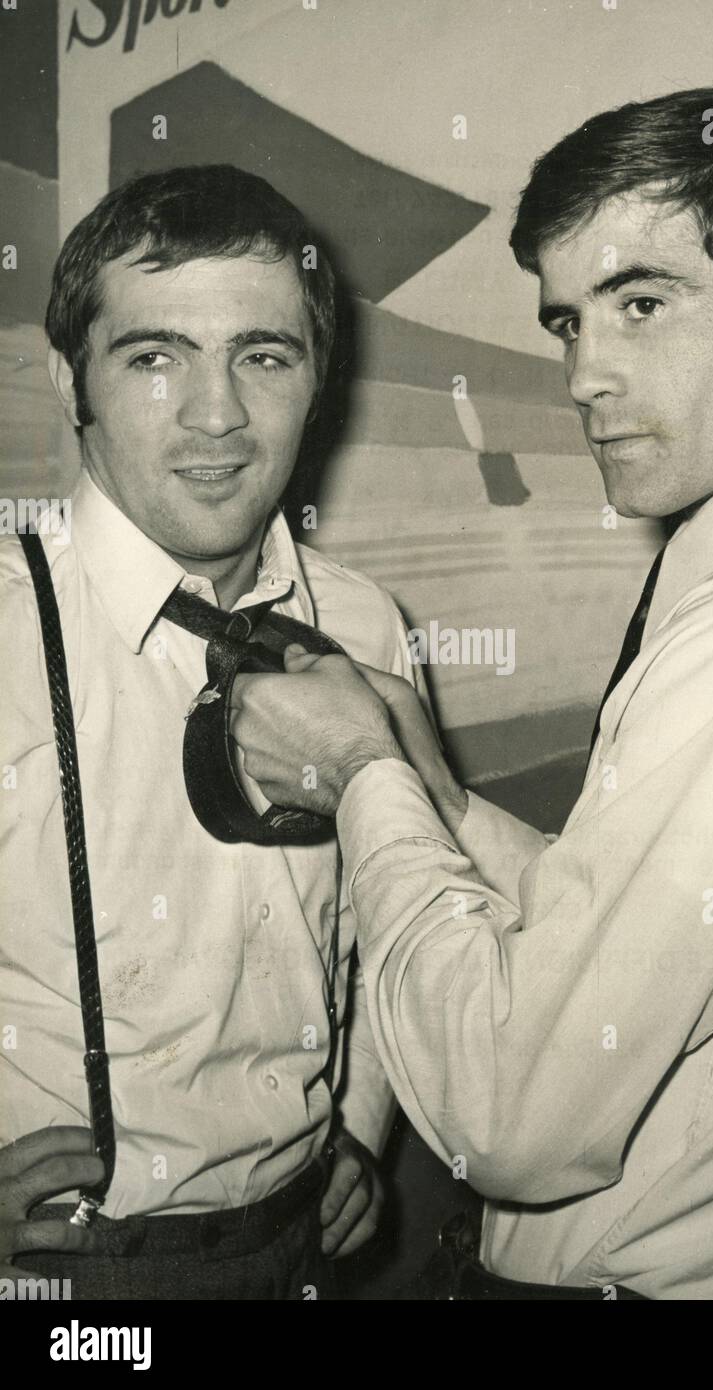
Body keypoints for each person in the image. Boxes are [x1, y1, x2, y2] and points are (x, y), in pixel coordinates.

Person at [229, 89, 713, 1299]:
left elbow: (506, 1111)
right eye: (565, 322)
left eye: (641, 304)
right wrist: (439, 802)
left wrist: (364, 779)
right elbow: (655, 937)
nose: (584, 376)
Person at [0, 164, 424, 1299]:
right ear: (68, 381)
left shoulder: (366, 623)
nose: (218, 414)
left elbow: (391, 921)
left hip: (299, 1254)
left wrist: (362, 1124)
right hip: (63, 1275)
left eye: (263, 356)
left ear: (315, 378)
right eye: (153, 357)